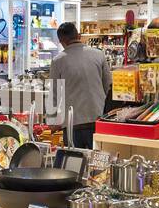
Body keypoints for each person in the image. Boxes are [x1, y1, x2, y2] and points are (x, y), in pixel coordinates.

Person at [47, 21, 111, 149]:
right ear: (78, 35)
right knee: (97, 163)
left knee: (74, 163)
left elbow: (54, 93)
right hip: (98, 120)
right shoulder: (99, 55)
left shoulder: (58, 60)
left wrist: (53, 122)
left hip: (72, 123)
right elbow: (108, 86)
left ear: (61, 41)